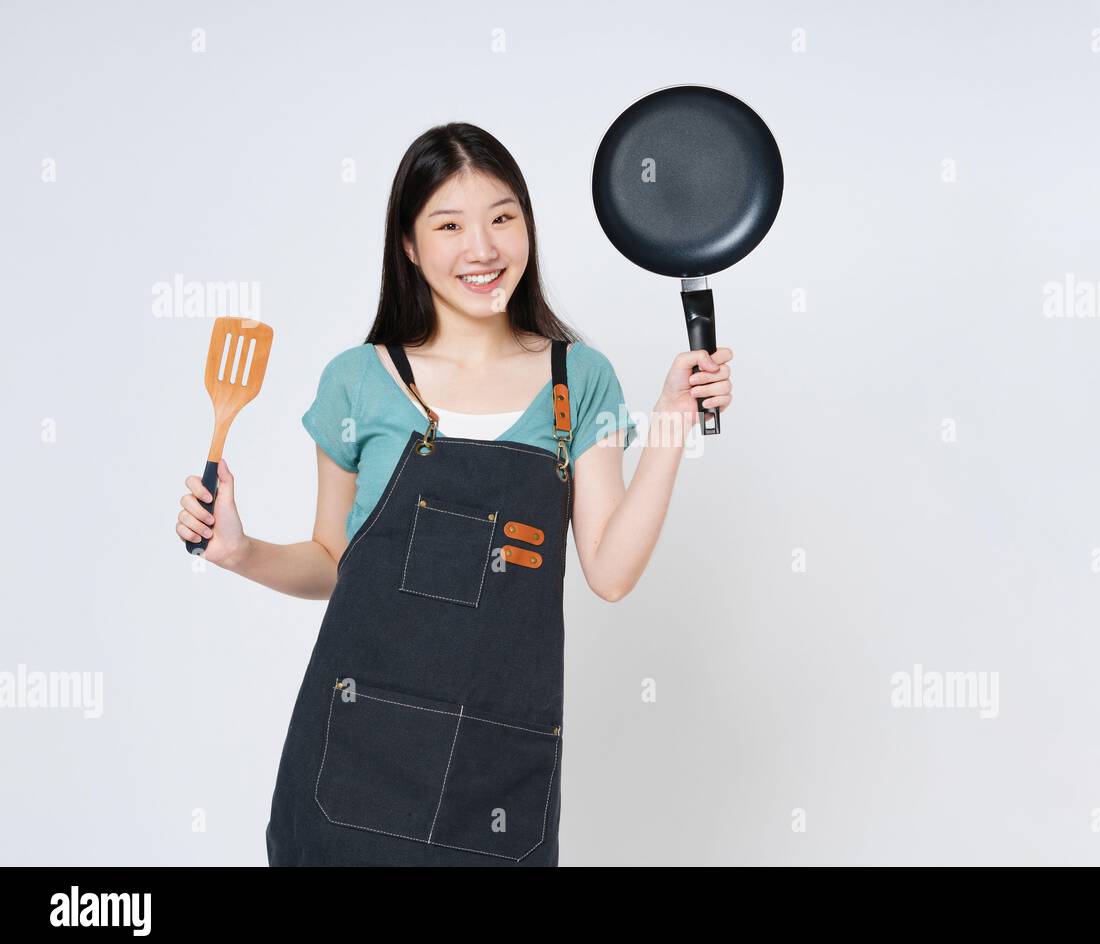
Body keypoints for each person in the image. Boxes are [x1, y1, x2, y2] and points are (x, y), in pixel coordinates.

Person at [173, 122, 733, 865]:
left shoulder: (579, 380)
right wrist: (240, 553)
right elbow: (335, 560)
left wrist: (669, 422)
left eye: (503, 217)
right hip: (353, 757)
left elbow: (610, 571)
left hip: (498, 767)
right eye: (449, 225)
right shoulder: (358, 380)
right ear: (408, 245)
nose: (483, 248)